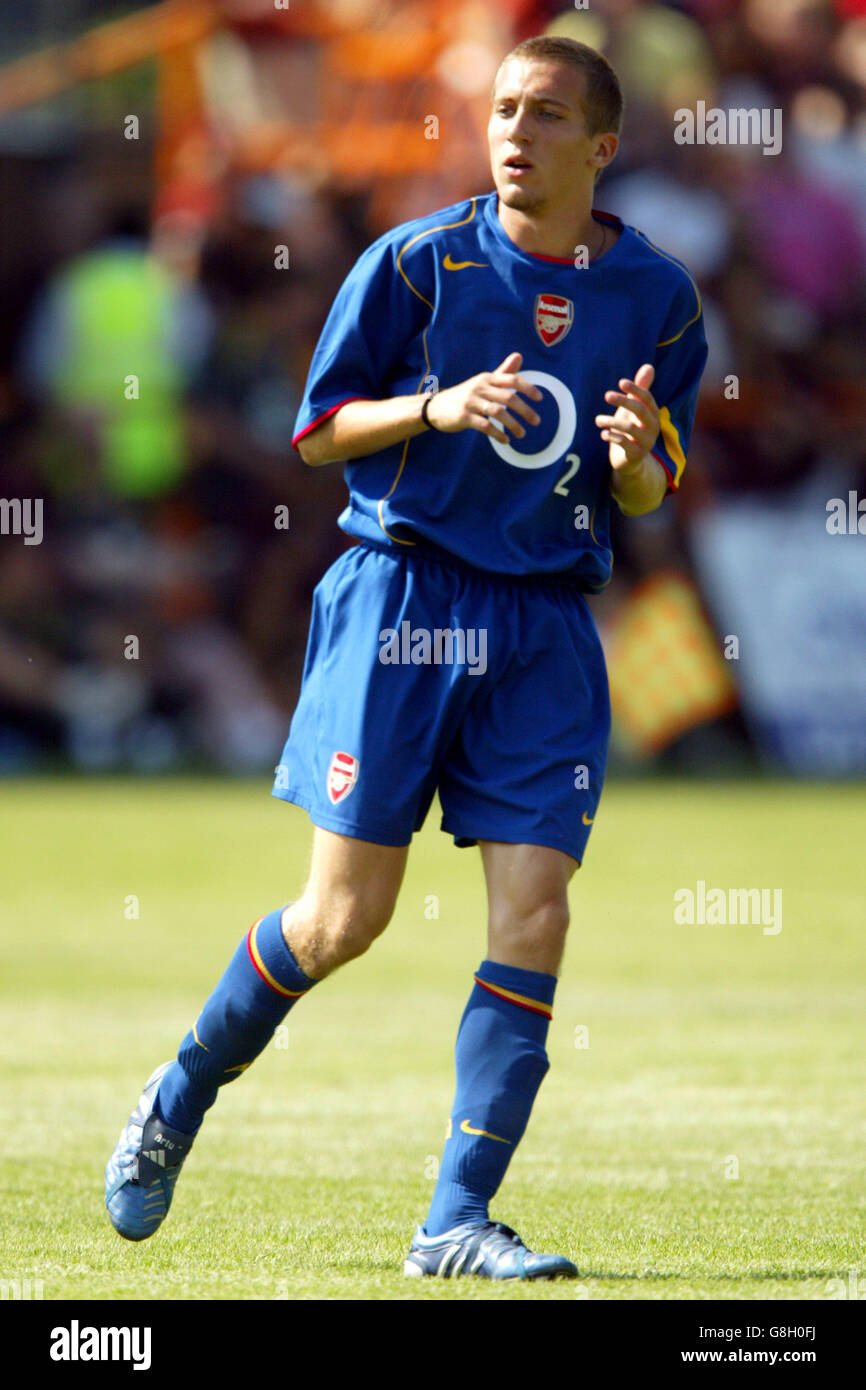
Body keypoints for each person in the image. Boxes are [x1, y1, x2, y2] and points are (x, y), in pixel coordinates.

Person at [105, 34, 708, 1281]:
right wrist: (435, 406)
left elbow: (650, 489)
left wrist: (636, 455)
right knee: (340, 919)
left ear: (600, 148)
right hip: (401, 602)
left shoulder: (656, 295)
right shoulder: (416, 263)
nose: (512, 132)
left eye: (544, 115)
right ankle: (176, 1095)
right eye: (500, 109)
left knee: (535, 910)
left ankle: (455, 1218)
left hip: (544, 622)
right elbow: (319, 431)